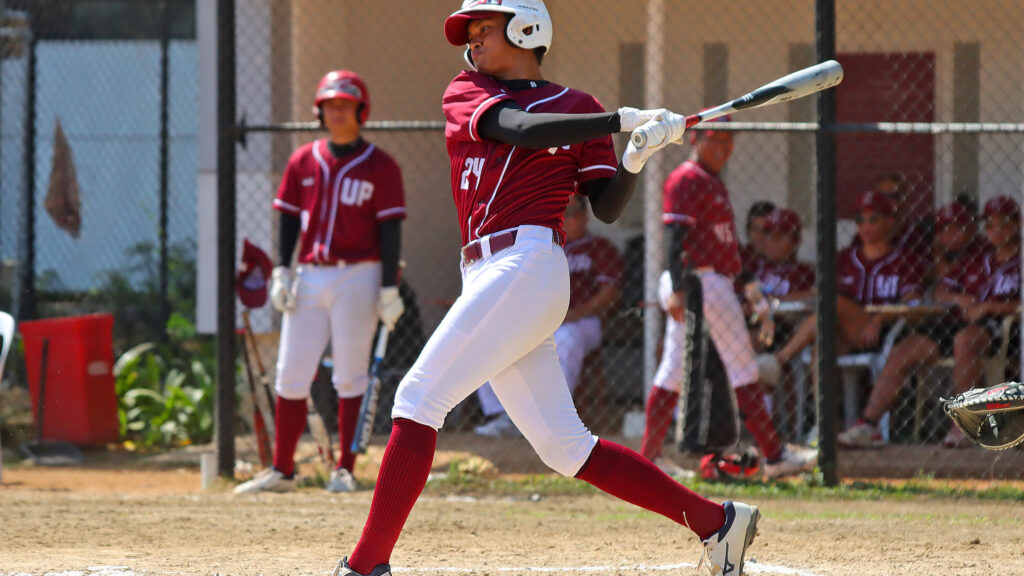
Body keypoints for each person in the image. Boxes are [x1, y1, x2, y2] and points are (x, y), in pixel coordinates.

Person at [335, 3, 760, 576]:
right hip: (492, 273)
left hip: (527, 264)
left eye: (485, 28)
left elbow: (606, 207)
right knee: (566, 448)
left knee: (416, 400)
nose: (474, 40)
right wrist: (618, 121)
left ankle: (365, 566)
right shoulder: (468, 90)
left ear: (527, 29)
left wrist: (636, 156)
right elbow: (521, 129)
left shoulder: (578, 107)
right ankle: (717, 523)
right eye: (471, 32)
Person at [235, 70, 407, 495]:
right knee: (290, 372)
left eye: (345, 105)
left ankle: (344, 470)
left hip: (360, 273)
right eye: (330, 105)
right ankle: (282, 470)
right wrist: (282, 269)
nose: (337, 112)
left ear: (361, 110)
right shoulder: (303, 160)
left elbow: (390, 230)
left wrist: (388, 287)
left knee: (350, 375)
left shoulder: (381, 165)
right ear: (319, 111)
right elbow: (289, 219)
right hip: (310, 273)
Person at [639, 118, 817, 480]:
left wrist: (751, 287)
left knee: (673, 372)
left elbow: (727, 249)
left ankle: (648, 460)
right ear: (694, 139)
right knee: (742, 369)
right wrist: (677, 289)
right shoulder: (687, 178)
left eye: (727, 140)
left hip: (711, 279)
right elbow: (674, 238)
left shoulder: (713, 182)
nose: (722, 147)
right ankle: (775, 455)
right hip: (698, 281)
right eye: (714, 139)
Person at [838, 196, 1021, 448]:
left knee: (964, 340)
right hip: (957, 323)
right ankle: (868, 425)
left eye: (1004, 224)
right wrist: (958, 298)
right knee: (904, 349)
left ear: (1018, 224)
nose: (996, 230)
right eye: (990, 224)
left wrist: (988, 306)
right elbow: (939, 292)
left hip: (1002, 328)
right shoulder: (977, 258)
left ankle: (966, 423)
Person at [474, 194, 623, 437]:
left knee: (566, 339)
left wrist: (574, 314)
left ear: (584, 217)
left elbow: (610, 293)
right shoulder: (543, 247)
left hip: (582, 322)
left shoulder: (599, 247)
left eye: (570, 213)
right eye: (561, 214)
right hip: (540, 320)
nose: (564, 219)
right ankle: (505, 416)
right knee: (489, 339)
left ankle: (550, 416)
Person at [773, 191, 927, 384]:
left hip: (887, 331)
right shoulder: (844, 258)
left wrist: (879, 319)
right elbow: (815, 294)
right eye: (860, 220)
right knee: (821, 349)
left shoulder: (905, 259)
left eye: (873, 219)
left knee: (834, 301)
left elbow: (912, 298)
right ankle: (822, 402)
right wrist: (774, 300)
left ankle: (779, 359)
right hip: (848, 331)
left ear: (889, 222)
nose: (865, 226)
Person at [739, 200, 777, 272]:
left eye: (767, 230)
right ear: (748, 230)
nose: (760, 235)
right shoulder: (741, 257)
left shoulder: (781, 261)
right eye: (756, 229)